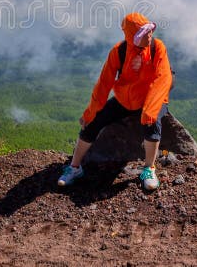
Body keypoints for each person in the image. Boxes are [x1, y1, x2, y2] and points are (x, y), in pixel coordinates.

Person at [57, 12, 173, 191]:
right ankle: (74, 167)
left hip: (152, 99)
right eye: (144, 33)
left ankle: (149, 169)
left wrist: (149, 109)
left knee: (151, 123)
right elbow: (104, 84)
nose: (149, 35)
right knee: (92, 123)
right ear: (132, 37)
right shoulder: (119, 51)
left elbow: (163, 79)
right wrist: (90, 113)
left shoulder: (157, 48)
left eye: (150, 30)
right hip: (124, 100)